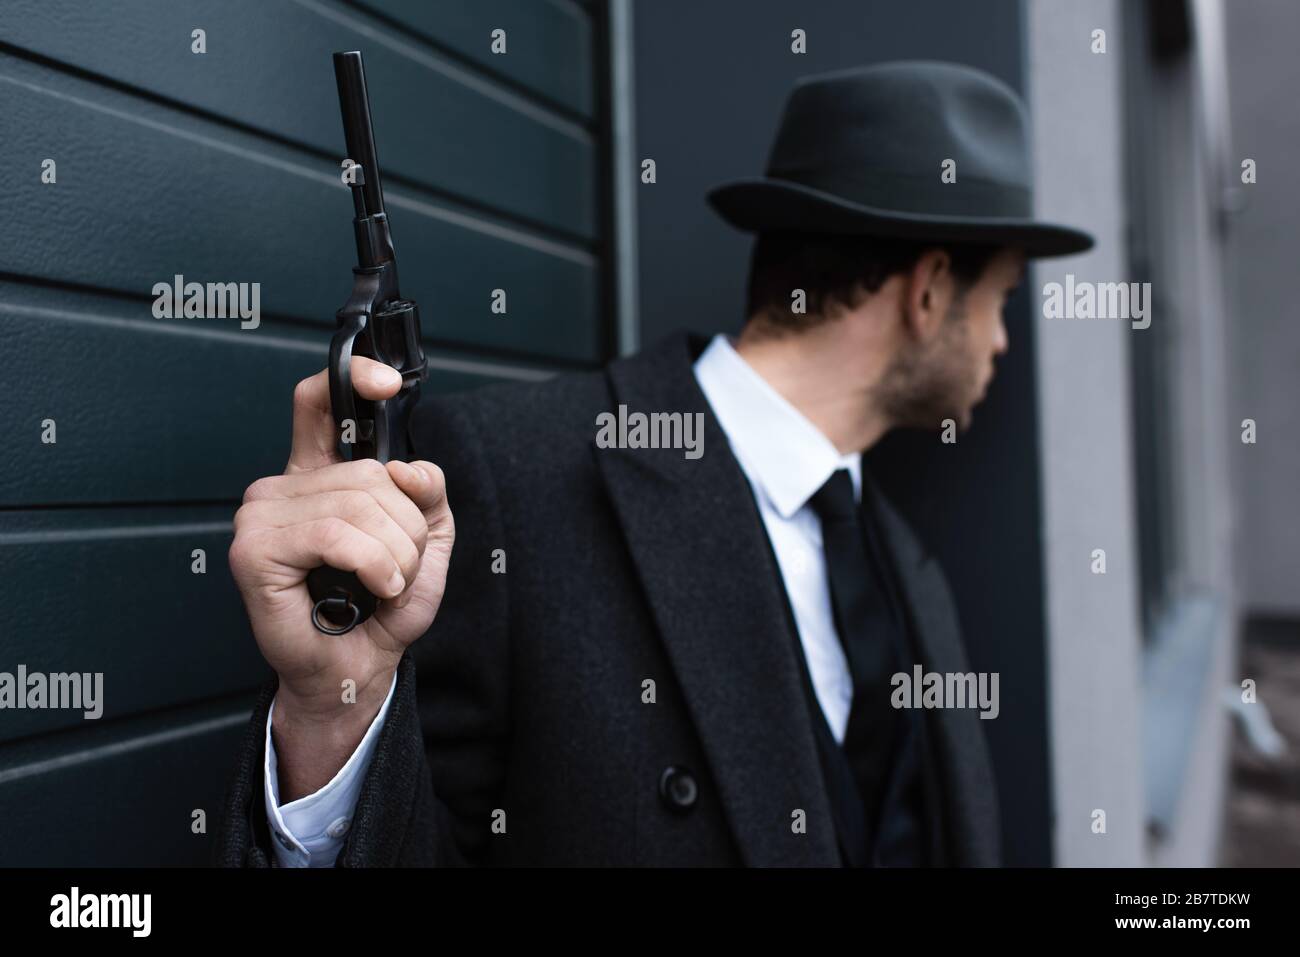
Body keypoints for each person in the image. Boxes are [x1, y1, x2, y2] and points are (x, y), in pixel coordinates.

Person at [216, 61, 1093, 867]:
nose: (1003, 341)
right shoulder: (516, 476)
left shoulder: (905, 565)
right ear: (930, 288)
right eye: (1002, 300)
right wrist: (335, 707)